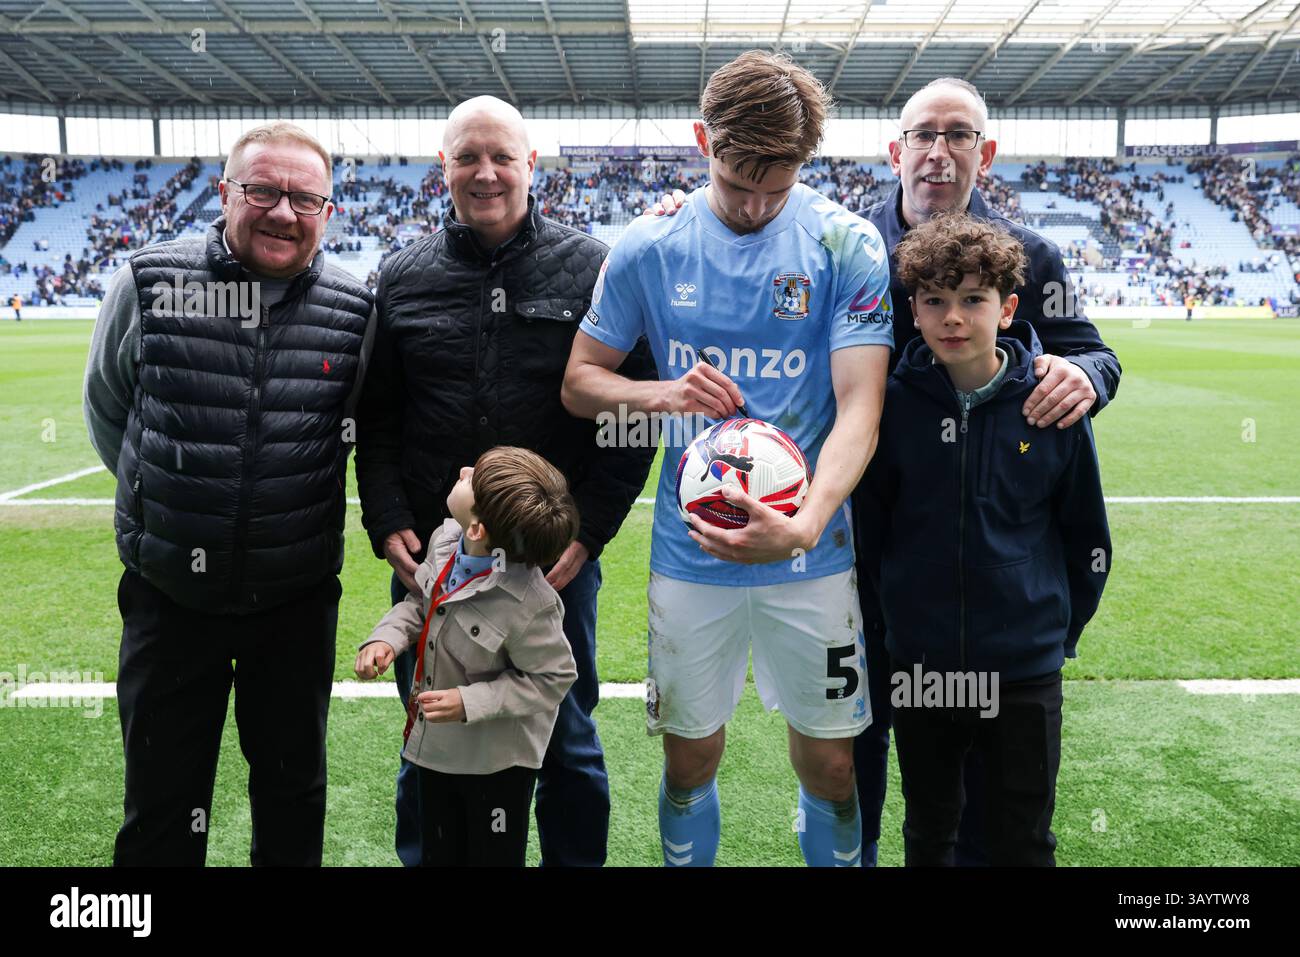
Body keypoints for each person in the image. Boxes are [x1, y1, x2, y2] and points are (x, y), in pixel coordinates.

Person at [563, 51, 893, 867]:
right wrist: (662, 394)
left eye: (775, 188)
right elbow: (580, 382)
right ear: (701, 138)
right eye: (737, 179)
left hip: (810, 558)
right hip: (690, 554)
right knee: (690, 758)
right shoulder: (649, 244)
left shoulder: (844, 243)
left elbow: (862, 405)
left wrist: (806, 524)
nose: (753, 205)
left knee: (834, 761)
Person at [354, 96, 656, 867]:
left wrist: (589, 532)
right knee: (429, 726)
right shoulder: (403, 275)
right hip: (436, 557)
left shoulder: (594, 269)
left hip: (551, 562)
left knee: (565, 734)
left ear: (531, 165)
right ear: (443, 167)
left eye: (501, 156)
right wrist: (386, 513)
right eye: (466, 157)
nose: (484, 172)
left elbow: (631, 416)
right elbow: (377, 414)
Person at [83, 121, 375, 866]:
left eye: (304, 197)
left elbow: (359, 431)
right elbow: (109, 409)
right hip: (170, 596)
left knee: (292, 797)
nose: (283, 211)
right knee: (161, 806)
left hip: (295, 599)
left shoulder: (353, 307)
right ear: (224, 194)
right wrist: (167, 505)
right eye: (262, 190)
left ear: (328, 210)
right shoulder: (150, 280)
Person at [854, 213, 1111, 865]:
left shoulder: (1051, 406)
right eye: (935, 300)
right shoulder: (893, 405)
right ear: (912, 308)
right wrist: (895, 630)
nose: (953, 318)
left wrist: (1051, 634)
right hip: (922, 668)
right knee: (929, 829)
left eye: (973, 299)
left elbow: (1088, 537)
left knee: (1022, 838)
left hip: (1023, 670)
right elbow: (870, 535)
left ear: (1009, 306)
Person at [355, 447, 580, 867]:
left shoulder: (531, 603)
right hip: (437, 750)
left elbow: (553, 679)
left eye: (471, 479)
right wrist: (385, 639)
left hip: (497, 766)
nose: (463, 469)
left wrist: (468, 702)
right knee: (438, 852)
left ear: (477, 529)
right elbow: (422, 603)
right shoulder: (444, 542)